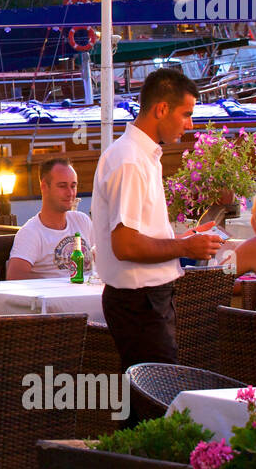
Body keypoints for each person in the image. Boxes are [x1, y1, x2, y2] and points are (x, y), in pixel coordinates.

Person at [91, 68, 222, 369]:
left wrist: (182, 240)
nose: (190, 124)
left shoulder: (140, 156)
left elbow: (135, 235)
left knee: (147, 400)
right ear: (161, 109)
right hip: (141, 303)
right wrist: (186, 249)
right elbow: (126, 245)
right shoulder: (130, 160)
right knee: (153, 403)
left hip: (145, 300)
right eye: (186, 113)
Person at [7, 158, 93, 280]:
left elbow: (103, 257)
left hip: (92, 296)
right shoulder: (31, 232)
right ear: (44, 186)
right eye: (62, 186)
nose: (70, 193)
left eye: (73, 186)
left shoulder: (82, 221)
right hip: (57, 298)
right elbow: (14, 277)